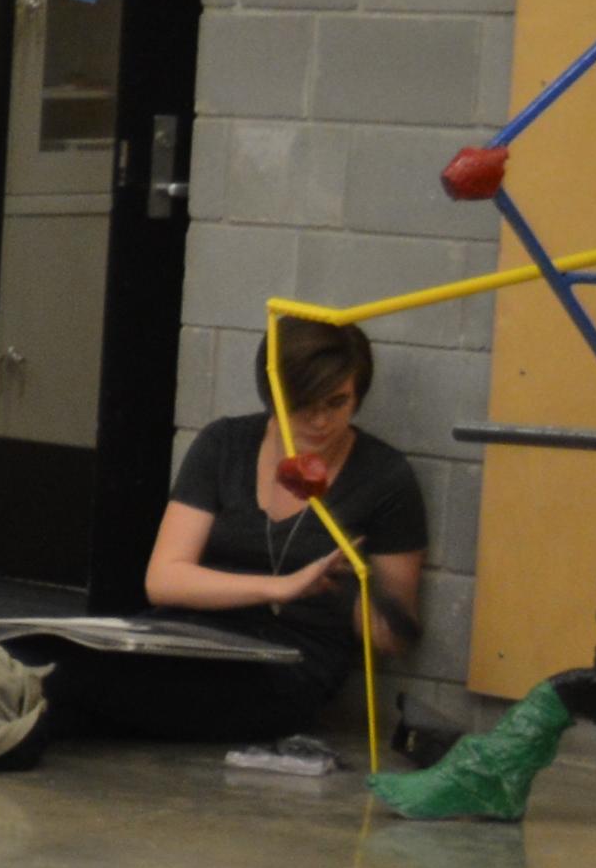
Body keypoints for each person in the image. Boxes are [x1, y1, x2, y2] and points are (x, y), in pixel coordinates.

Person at [129, 319, 430, 745]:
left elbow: (393, 634)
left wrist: (370, 601)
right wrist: (280, 587)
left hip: (292, 660)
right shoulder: (225, 444)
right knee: (76, 665)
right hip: (191, 631)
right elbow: (164, 579)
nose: (321, 421)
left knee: (173, 695)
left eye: (338, 402)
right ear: (273, 395)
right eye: (302, 404)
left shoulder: (385, 476)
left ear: (358, 395)